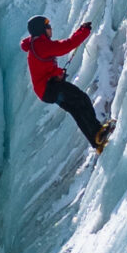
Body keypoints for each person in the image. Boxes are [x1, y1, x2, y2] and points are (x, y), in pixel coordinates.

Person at [19, 14, 111, 154]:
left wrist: (56, 73)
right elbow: (66, 46)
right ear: (41, 30)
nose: (50, 28)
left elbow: (42, 68)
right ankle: (98, 132)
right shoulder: (40, 45)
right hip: (49, 88)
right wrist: (83, 31)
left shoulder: (36, 44)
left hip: (47, 90)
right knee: (82, 99)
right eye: (47, 26)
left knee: (76, 109)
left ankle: (96, 142)